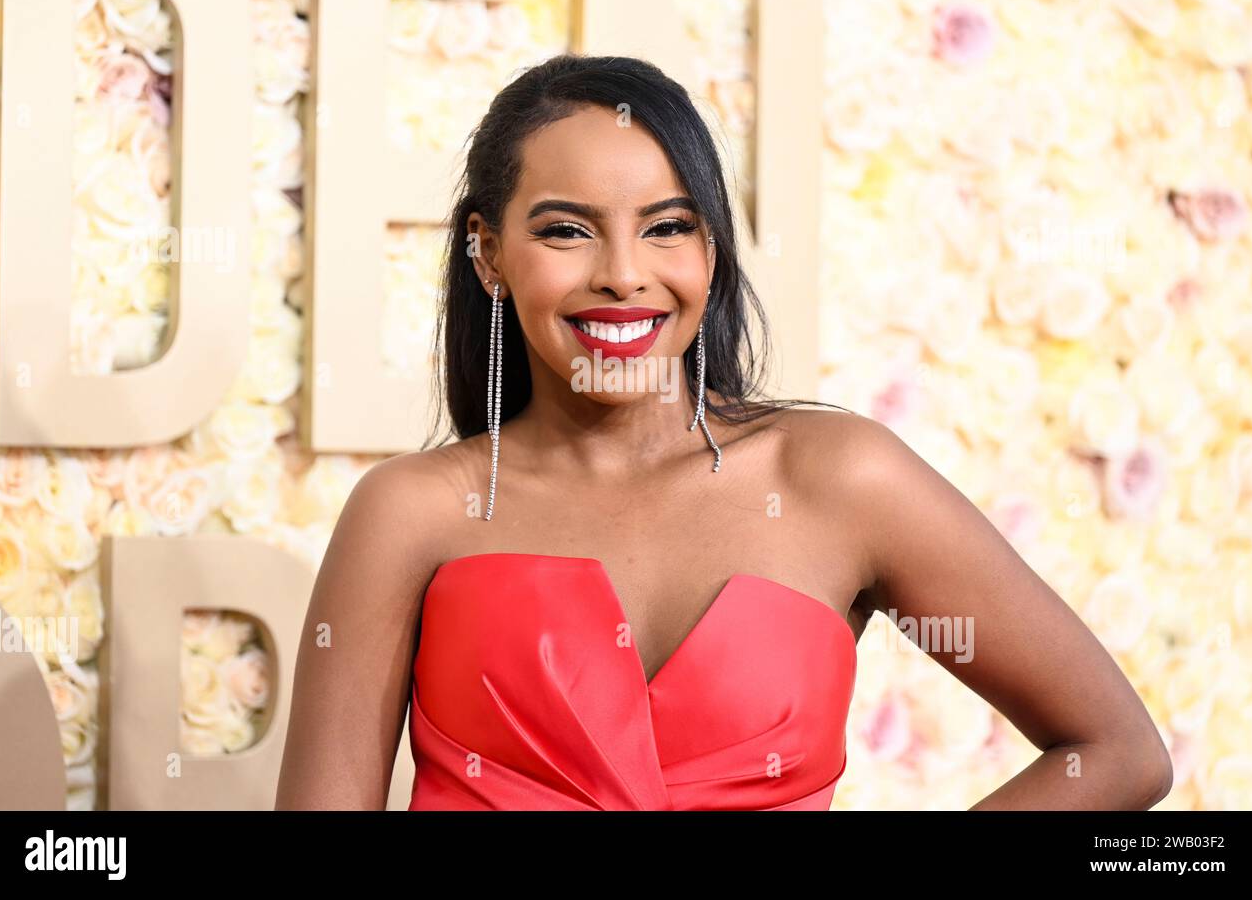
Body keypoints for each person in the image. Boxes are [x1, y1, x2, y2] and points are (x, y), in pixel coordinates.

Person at [275, 53, 1172, 811]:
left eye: (668, 227)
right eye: (566, 231)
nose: (624, 275)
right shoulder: (410, 514)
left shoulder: (837, 478)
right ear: (488, 253)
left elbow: (1115, 752)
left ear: (710, 252)